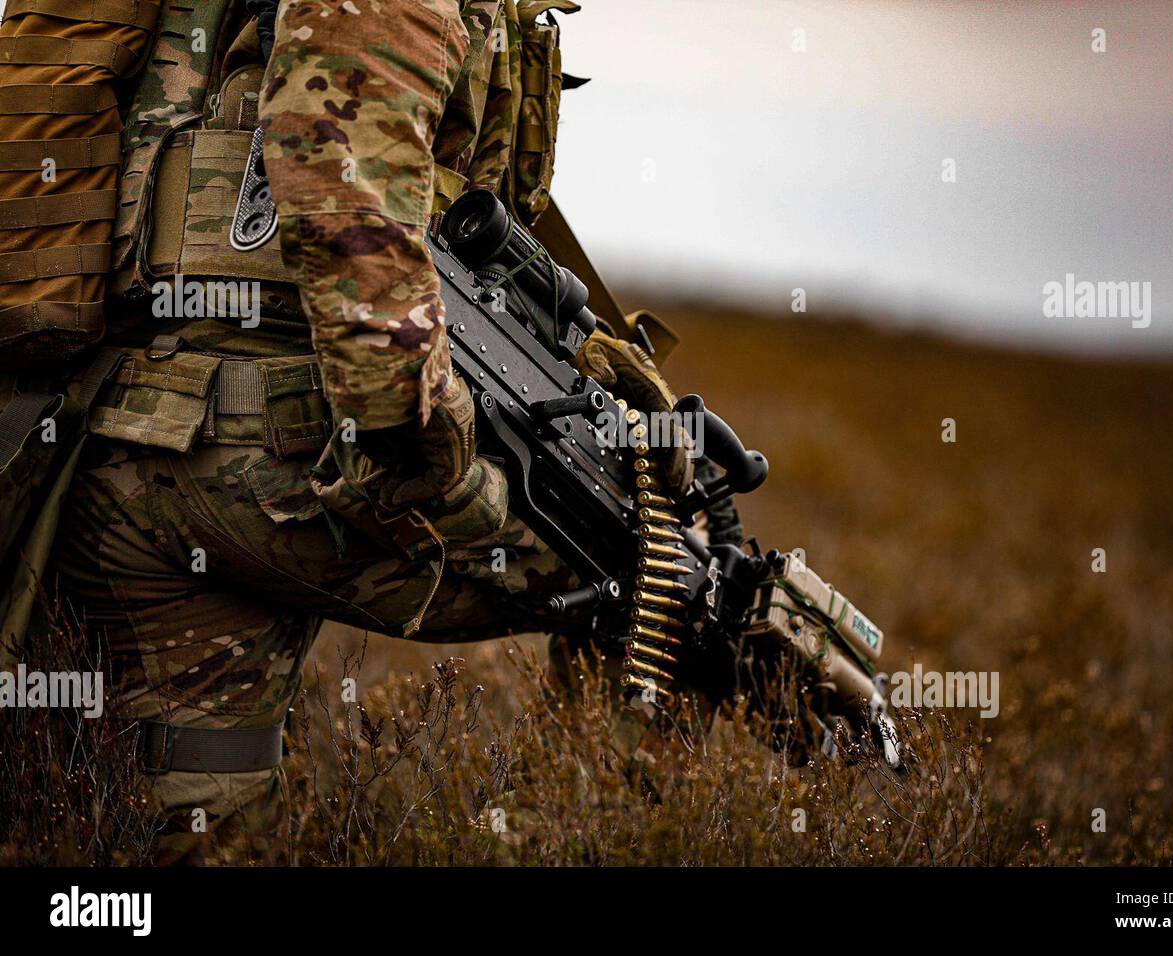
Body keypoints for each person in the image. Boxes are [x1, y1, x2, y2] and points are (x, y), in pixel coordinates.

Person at [2, 0, 686, 862]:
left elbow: (436, 208)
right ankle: (623, 828)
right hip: (271, 444)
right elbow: (338, 155)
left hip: (147, 428)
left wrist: (577, 342)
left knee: (189, 816)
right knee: (642, 582)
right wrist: (428, 451)